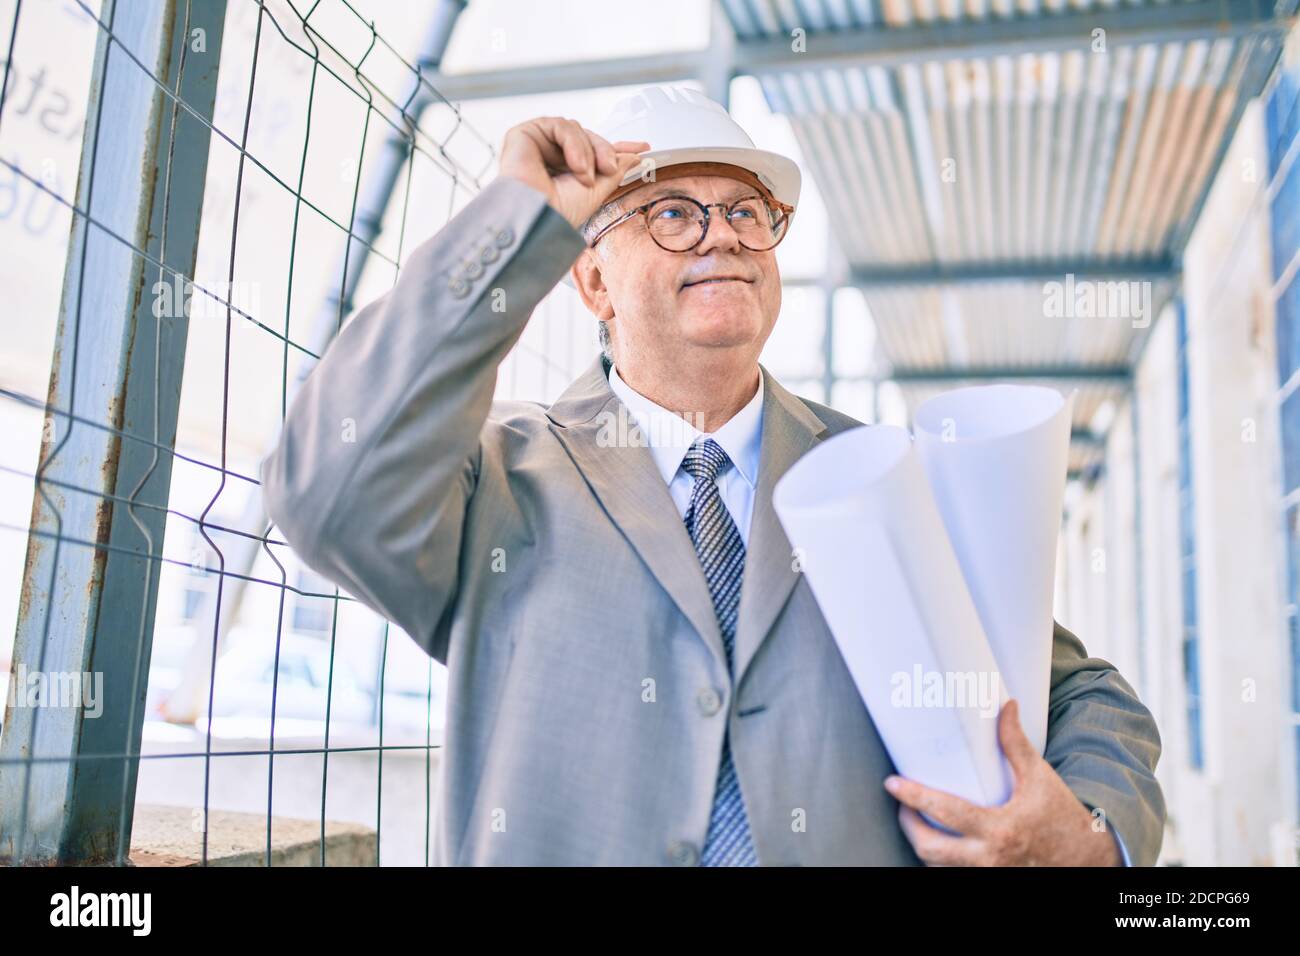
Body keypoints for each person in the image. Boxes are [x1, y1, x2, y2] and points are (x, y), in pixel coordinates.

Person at [260, 85, 1165, 866]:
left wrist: (1086, 840)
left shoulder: (886, 479)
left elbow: (1081, 694)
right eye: (671, 212)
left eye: (746, 212)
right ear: (591, 281)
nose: (722, 236)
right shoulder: (496, 476)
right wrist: (510, 224)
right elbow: (327, 492)